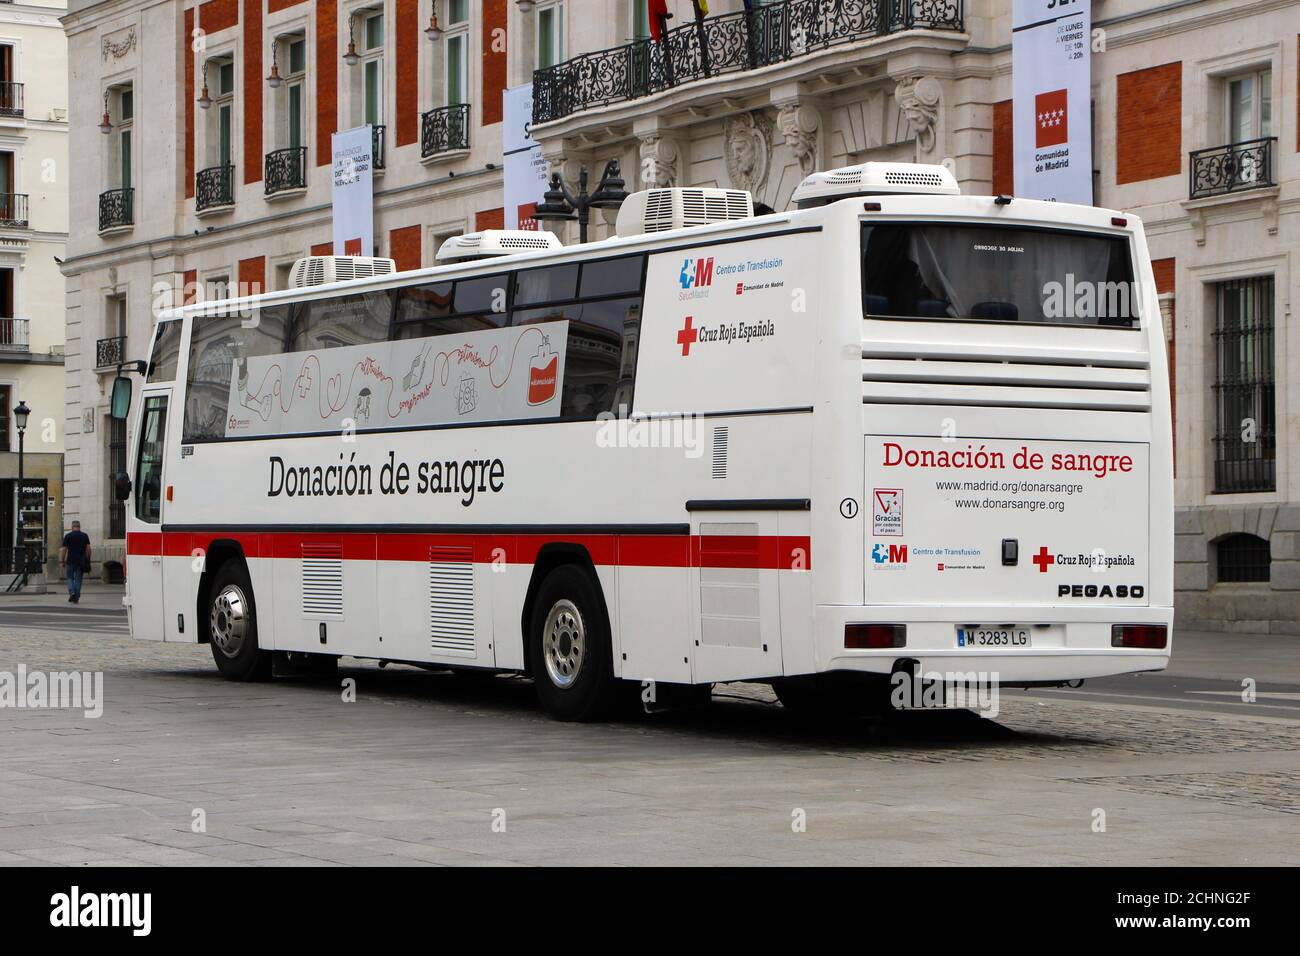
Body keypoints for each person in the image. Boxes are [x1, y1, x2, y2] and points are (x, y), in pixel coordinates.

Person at [59, 520, 92, 604]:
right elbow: (88, 549)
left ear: (72, 527)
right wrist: (88, 559)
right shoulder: (84, 536)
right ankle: (76, 596)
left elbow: (64, 549)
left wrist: (62, 560)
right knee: (78, 579)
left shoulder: (68, 536)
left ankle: (72, 592)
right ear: (79, 527)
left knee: (69, 578)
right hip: (81, 561)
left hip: (70, 560)